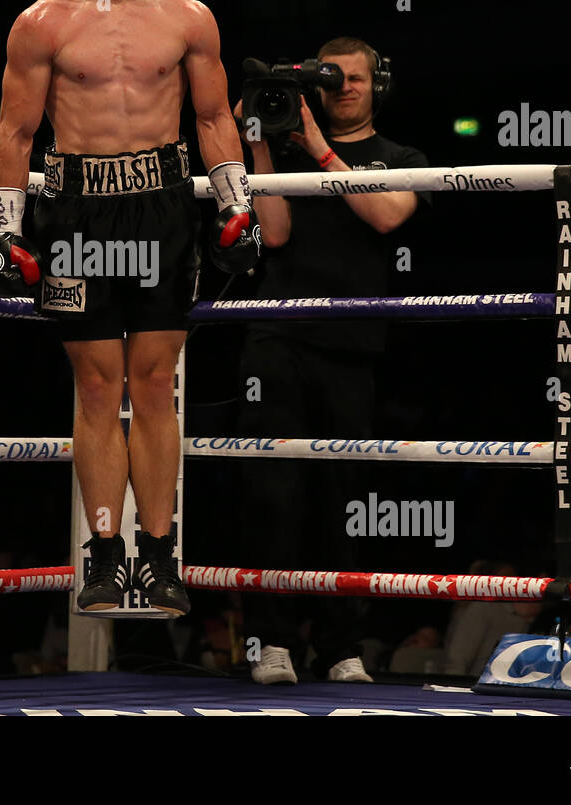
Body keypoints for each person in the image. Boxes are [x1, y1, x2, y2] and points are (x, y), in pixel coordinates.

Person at [0, 0, 259, 617]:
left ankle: (160, 558)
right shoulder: (41, 22)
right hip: (76, 210)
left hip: (163, 206)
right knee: (99, 385)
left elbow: (211, 122)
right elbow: (16, 132)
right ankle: (104, 557)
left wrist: (239, 207)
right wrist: (1, 234)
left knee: (154, 382)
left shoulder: (188, 16)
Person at [234, 37, 429, 683]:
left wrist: (319, 147)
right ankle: (272, 643)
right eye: (330, 77)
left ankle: (343, 645)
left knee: (344, 499)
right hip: (277, 339)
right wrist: (261, 142)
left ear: (379, 86)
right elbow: (277, 233)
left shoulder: (400, 157)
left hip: (350, 349)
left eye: (356, 78)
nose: (343, 86)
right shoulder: (287, 149)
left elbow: (385, 215)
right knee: (273, 495)